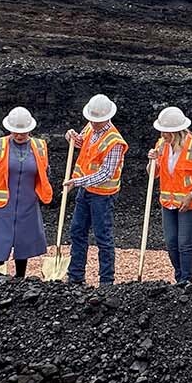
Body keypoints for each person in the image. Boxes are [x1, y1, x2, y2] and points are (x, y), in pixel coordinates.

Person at [63, 93, 126, 285]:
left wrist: (78, 181)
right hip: (86, 190)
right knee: (77, 231)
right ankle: (75, 277)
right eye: (91, 119)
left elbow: (106, 173)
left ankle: (106, 282)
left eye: (97, 120)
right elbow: (83, 143)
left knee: (103, 237)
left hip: (103, 196)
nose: (93, 123)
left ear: (107, 117)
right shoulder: (91, 127)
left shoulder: (115, 141)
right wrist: (72, 137)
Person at [0, 106, 53, 277]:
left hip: (27, 203)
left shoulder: (40, 146)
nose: (19, 135)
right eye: (15, 131)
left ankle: (20, 278)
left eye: (23, 131)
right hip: (1, 204)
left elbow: (45, 171)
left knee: (24, 241)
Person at [148, 106, 192, 286]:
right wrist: (152, 160)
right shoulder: (161, 145)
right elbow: (154, 174)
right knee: (171, 241)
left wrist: (191, 195)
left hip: (190, 202)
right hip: (168, 202)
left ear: (176, 131)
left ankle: (187, 279)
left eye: (165, 132)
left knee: (184, 242)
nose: (162, 135)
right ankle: (178, 275)